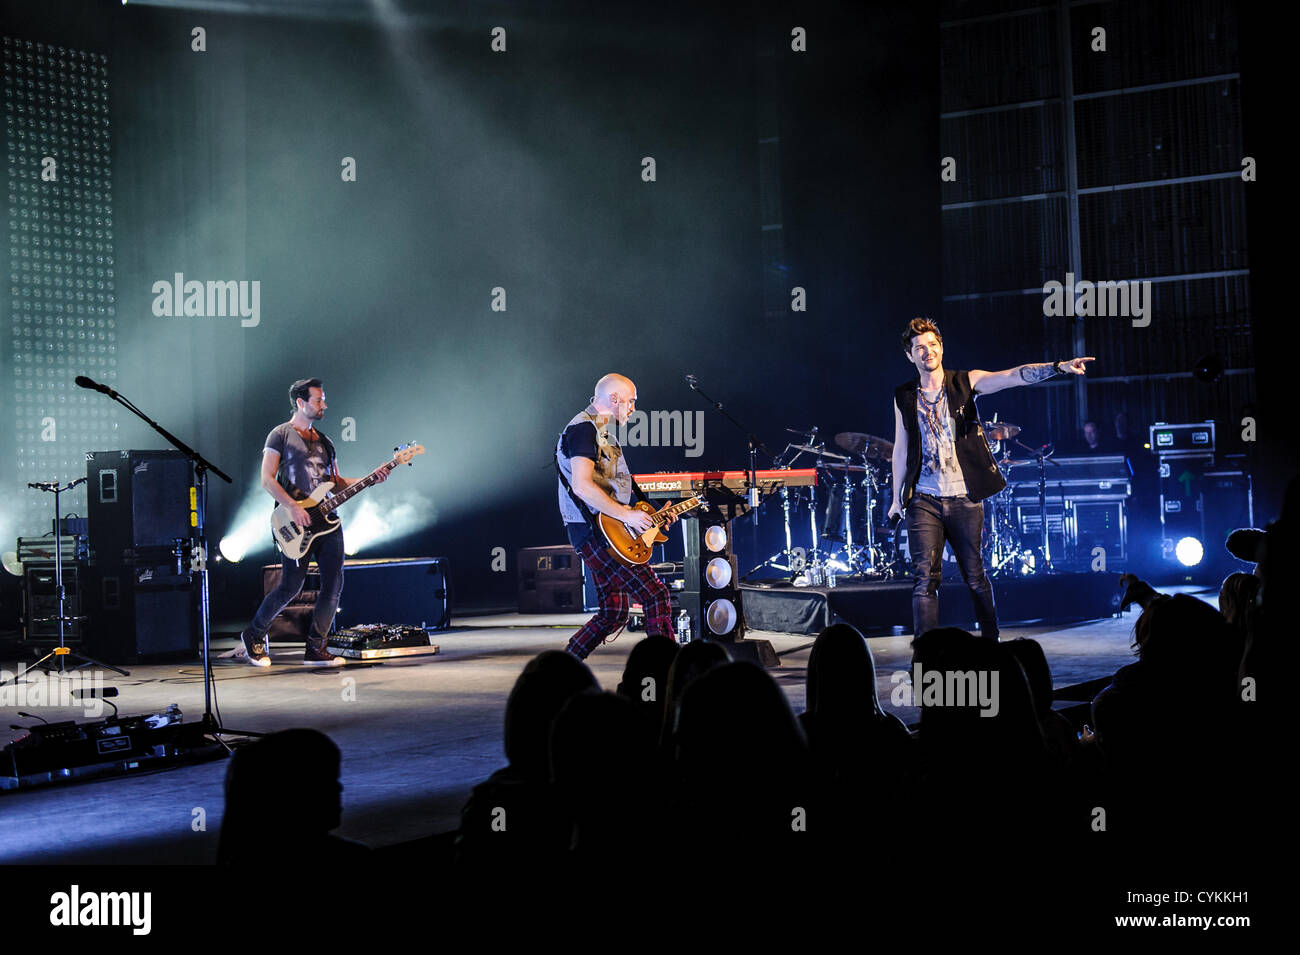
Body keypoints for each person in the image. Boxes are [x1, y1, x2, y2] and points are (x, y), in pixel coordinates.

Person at [886, 317, 1092, 642]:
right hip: (923, 497)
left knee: (975, 576)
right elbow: (900, 449)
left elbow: (1013, 376)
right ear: (910, 356)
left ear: (942, 347)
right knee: (925, 579)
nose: (928, 351)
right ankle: (924, 652)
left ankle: (991, 640)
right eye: (920, 347)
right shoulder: (903, 396)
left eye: (933, 345)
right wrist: (897, 498)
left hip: (964, 497)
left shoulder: (966, 382)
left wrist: (1059, 366)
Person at [239, 377, 386, 667]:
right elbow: (267, 479)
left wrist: (372, 479)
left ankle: (316, 648)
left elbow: (337, 483)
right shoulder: (279, 435)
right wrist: (292, 506)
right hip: (292, 522)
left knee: (334, 584)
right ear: (301, 402)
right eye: (318, 400)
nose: (324, 405)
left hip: (328, 522)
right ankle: (254, 635)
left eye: (323, 400)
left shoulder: (326, 442)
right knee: (291, 586)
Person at [555, 373, 676, 660]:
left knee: (614, 612)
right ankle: (669, 670)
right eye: (631, 401)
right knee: (655, 596)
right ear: (614, 399)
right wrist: (626, 515)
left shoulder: (601, 432)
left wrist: (648, 516)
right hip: (595, 533)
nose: (633, 407)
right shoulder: (583, 430)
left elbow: (613, 489)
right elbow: (582, 485)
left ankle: (565, 666)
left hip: (607, 530)